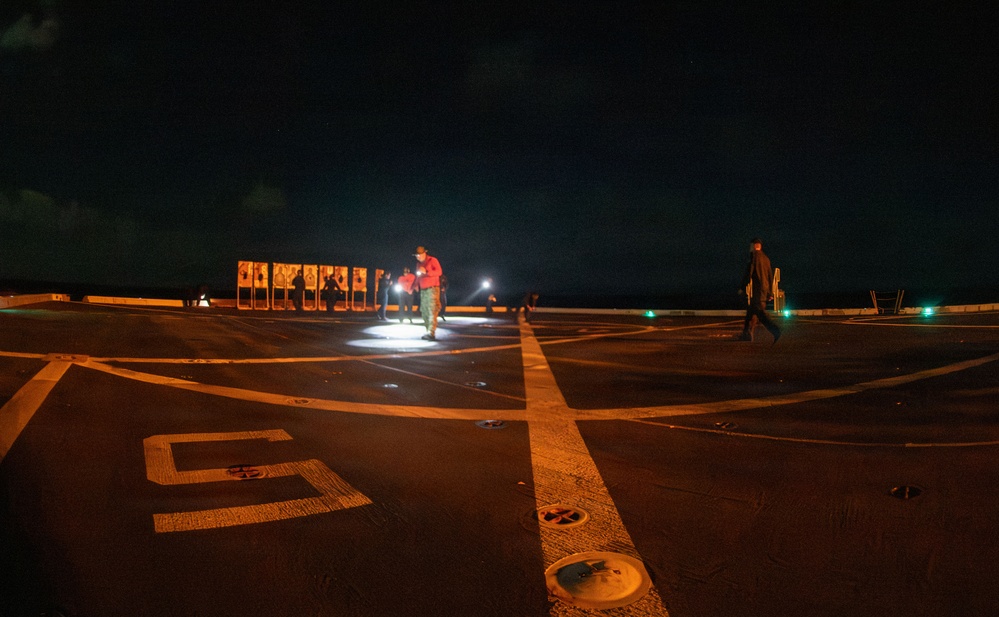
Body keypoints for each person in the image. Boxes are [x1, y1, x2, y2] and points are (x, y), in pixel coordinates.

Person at [739, 238, 781, 343]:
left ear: (754, 246)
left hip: (757, 292)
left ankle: (776, 331)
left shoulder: (753, 257)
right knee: (751, 312)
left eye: (750, 246)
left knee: (761, 315)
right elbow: (770, 276)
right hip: (764, 291)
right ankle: (746, 333)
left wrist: (742, 287)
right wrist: (770, 293)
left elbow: (749, 273)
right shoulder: (766, 259)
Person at [413, 246, 443, 340]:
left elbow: (439, 272)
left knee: (432, 310)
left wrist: (427, 271)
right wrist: (416, 285)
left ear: (424, 253)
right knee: (424, 310)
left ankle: (431, 332)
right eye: (416, 255)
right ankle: (428, 330)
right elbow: (418, 276)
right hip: (423, 290)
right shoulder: (418, 264)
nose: (418, 257)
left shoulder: (432, 260)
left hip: (432, 289)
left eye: (419, 255)